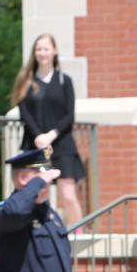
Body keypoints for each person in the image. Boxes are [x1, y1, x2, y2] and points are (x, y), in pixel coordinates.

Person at [11, 33, 86, 225]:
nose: (42, 53)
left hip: (62, 144)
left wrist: (51, 136)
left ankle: (76, 237)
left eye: (46, 48)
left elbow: (69, 115)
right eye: (38, 49)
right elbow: (24, 114)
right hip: (34, 144)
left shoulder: (64, 80)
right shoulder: (26, 81)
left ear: (54, 51)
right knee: (35, 192)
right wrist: (40, 138)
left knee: (68, 194)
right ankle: (37, 231)